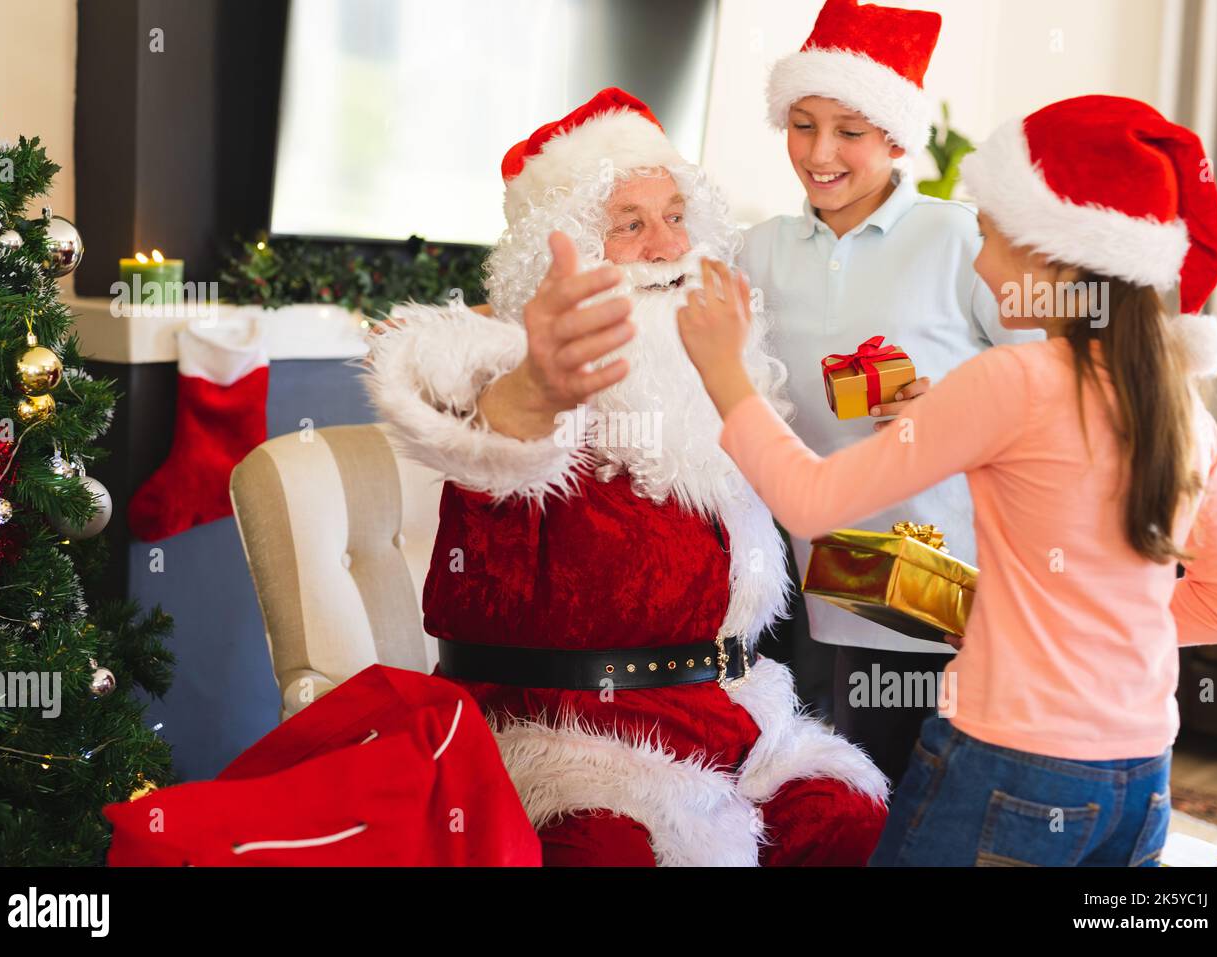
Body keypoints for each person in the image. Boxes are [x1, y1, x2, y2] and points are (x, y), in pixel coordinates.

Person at [677, 95, 1217, 866]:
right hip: (1143, 774)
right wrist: (1065, 623)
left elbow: (811, 501)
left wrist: (726, 377)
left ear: (1048, 251)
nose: (978, 260)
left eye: (987, 236)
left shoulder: (1012, 380)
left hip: (1008, 763)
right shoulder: (1178, 397)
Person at [363, 88, 887, 866]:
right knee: (609, 847)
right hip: (573, 737)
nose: (665, 246)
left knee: (843, 807)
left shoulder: (711, 381)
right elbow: (497, 462)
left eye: (676, 216)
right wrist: (533, 390)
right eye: (629, 224)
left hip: (733, 715)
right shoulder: (517, 378)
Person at [739, 0, 1042, 784]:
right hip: (794, 570)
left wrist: (955, 402)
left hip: (920, 572)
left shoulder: (961, 238)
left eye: (849, 131)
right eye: (802, 125)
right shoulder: (758, 249)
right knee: (812, 792)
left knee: (905, 788)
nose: (819, 152)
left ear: (896, 137)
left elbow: (1051, 390)